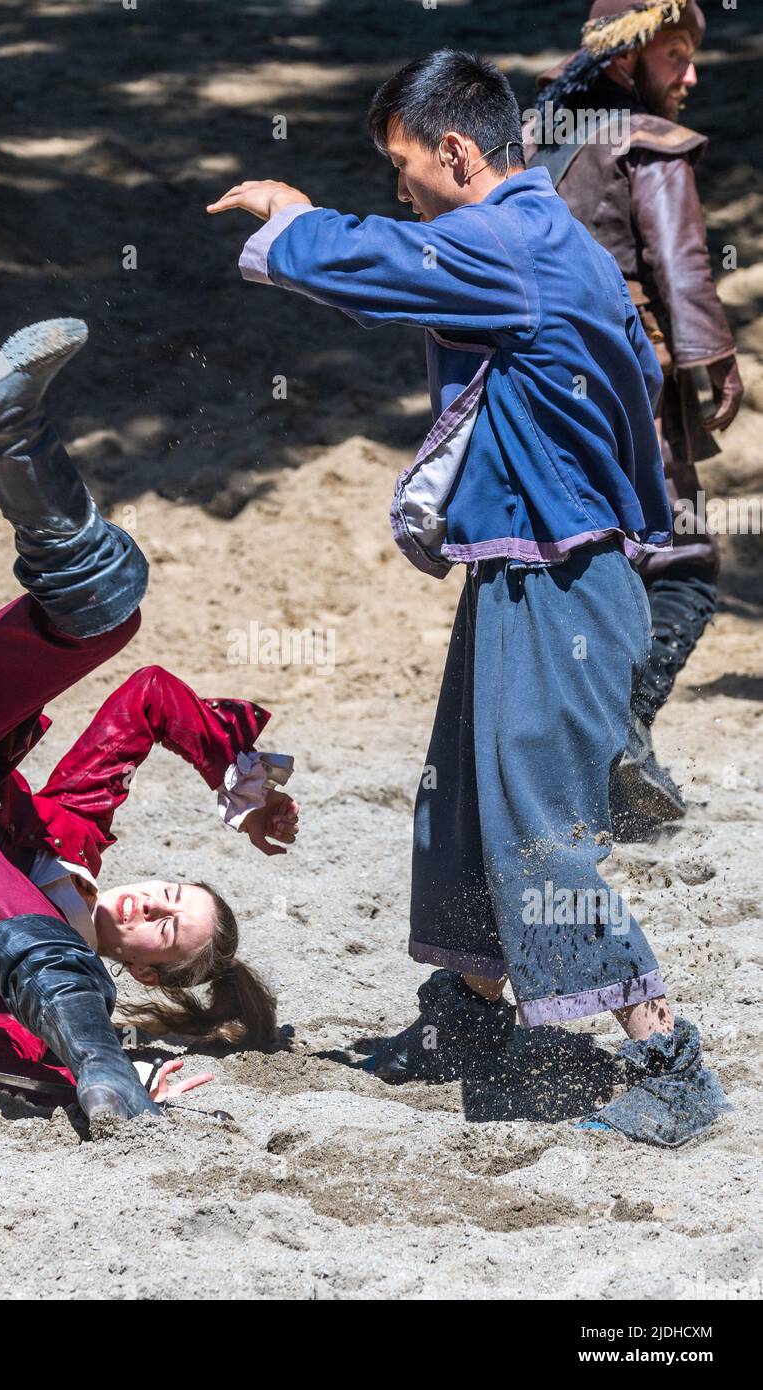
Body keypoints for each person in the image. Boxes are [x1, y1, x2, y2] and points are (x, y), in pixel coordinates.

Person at [208, 49, 728, 1145]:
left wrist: (296, 218)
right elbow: (415, 280)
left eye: (402, 165)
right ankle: (469, 1020)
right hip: (533, 573)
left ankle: (666, 1059)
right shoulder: (534, 243)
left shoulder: (516, 239)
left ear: (454, 151)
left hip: (563, 587)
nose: (400, 189)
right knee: (461, 811)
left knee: (539, 831)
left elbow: (388, 258)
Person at [0, 319, 299, 1137]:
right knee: (110, 610)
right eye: (171, 896)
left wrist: (100, 1057)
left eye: (163, 931)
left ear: (147, 974)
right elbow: (145, 699)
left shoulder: (8, 963)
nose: (150, 907)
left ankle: (109, 1077)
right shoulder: (73, 834)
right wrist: (235, 773)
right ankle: (7, 421)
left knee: (31, 943)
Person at [527, 0, 743, 829]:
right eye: (677, 56)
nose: (691, 75)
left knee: (585, 569)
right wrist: (711, 355)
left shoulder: (540, 133)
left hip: (536, 390)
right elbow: (680, 258)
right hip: (624, 390)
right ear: (626, 61)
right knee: (682, 562)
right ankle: (623, 739)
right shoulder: (643, 141)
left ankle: (592, 760)